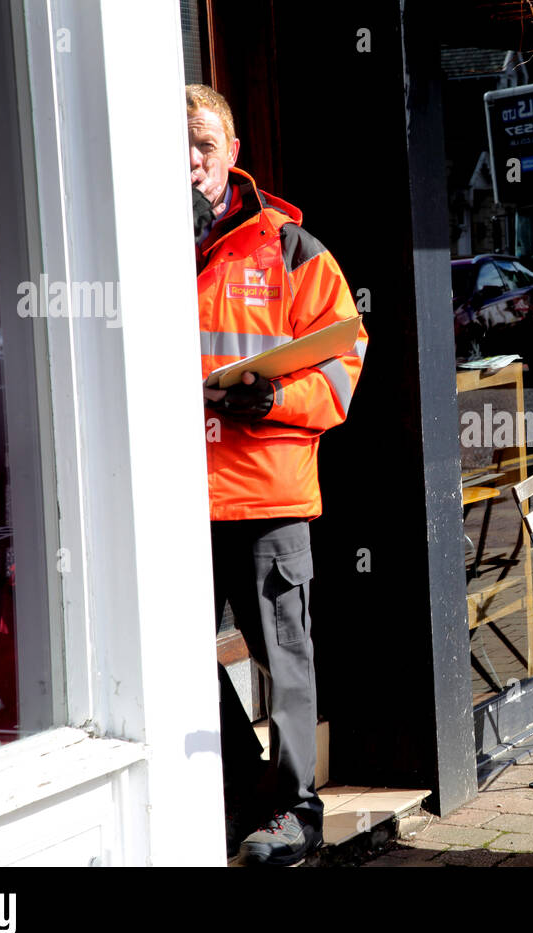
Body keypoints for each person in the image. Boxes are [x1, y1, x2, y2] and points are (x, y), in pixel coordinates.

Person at [188, 83, 367, 865]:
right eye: (172, 146)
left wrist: (272, 395)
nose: (186, 160)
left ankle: (298, 811)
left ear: (232, 153)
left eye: (200, 143)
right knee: (179, 658)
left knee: (283, 662)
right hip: (175, 502)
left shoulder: (296, 252)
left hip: (265, 494)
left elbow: (343, 371)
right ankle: (241, 792)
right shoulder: (131, 243)